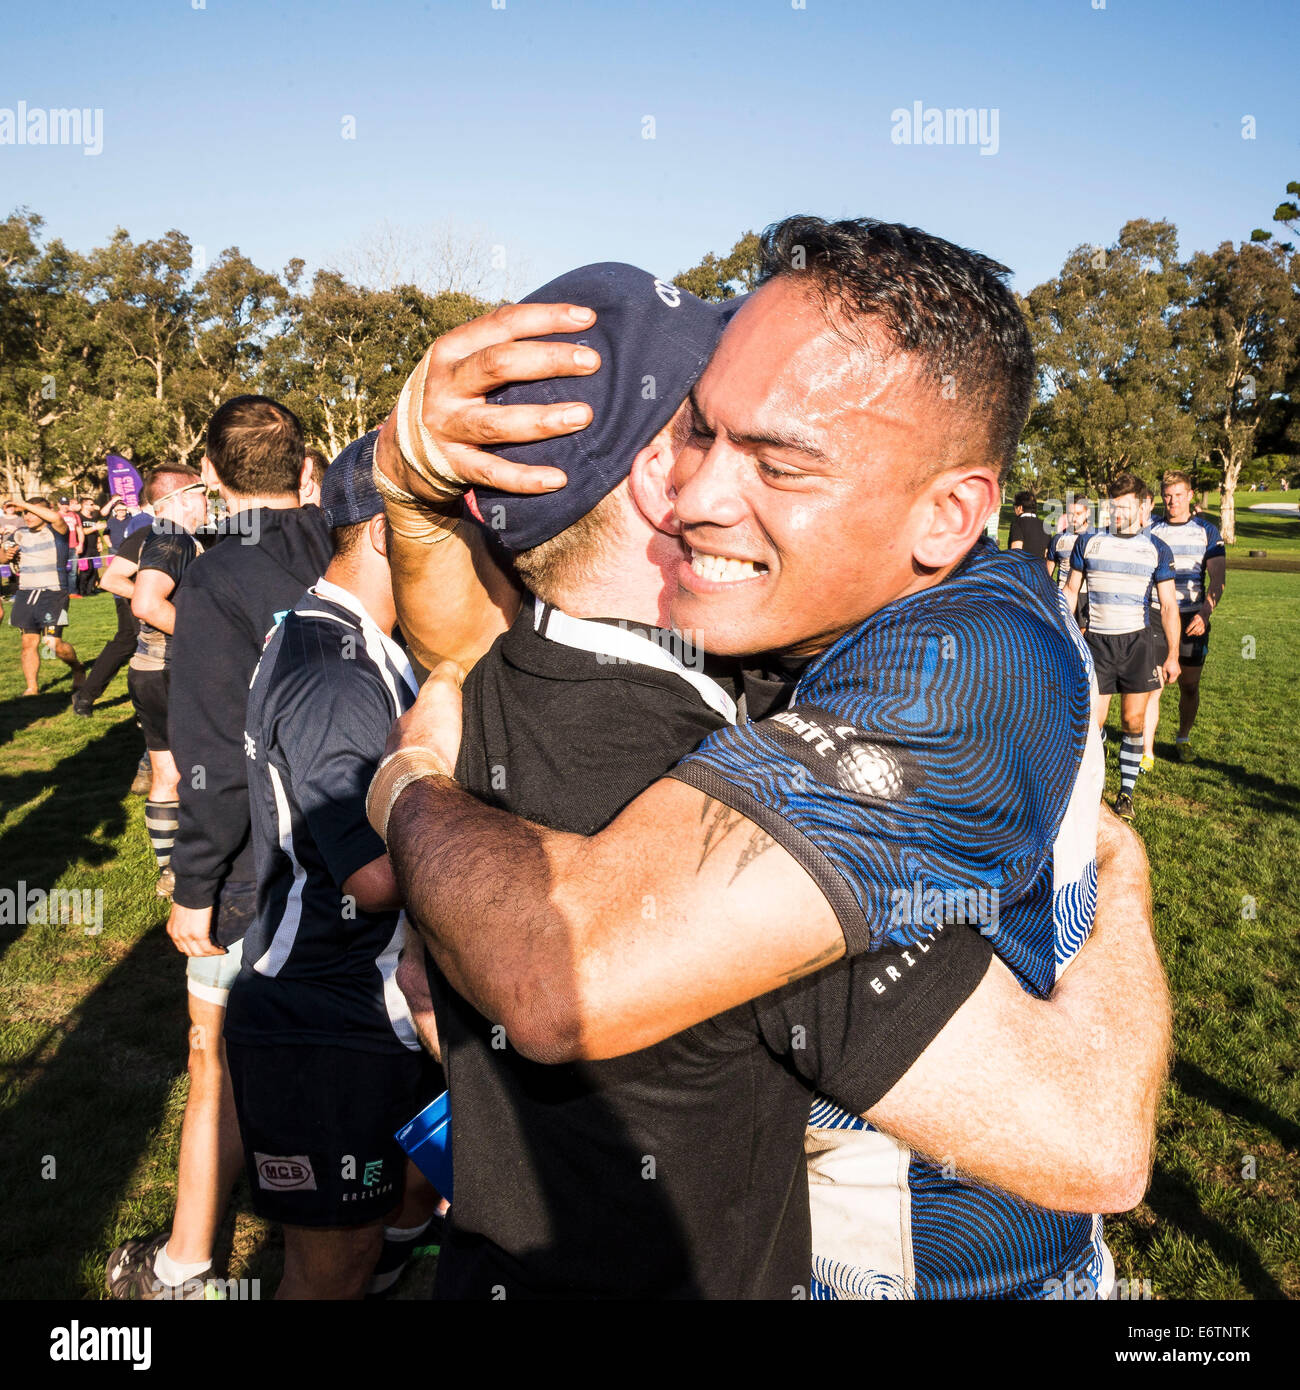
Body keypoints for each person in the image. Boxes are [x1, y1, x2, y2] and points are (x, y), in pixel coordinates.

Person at [373, 223, 1170, 1298]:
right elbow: (486, 657)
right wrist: (411, 489)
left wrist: (407, 790)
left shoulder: (956, 666)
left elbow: (573, 965)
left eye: (779, 461)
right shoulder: (788, 614)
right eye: (699, 431)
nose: (696, 493)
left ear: (948, 514)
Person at [107, 397, 330, 1300]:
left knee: (215, 1055)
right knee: (375, 1049)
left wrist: (194, 886)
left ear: (213, 473)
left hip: (259, 869)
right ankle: (392, 1225)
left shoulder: (217, 575)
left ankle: (185, 1265)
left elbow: (210, 758)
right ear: (303, 464)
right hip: (369, 850)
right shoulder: (356, 548)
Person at [224, 435, 441, 1299]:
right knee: (332, 1264)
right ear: (388, 534)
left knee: (382, 1233)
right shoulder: (335, 669)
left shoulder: (354, 642)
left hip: (360, 1004)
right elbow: (375, 876)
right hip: (322, 1016)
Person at [1063, 473, 1179, 821]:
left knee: (1132, 720)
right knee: (1093, 722)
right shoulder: (1088, 543)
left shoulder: (1156, 549)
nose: (1117, 513)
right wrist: (1060, 629)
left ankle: (1126, 792)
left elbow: (1169, 606)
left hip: (1138, 644)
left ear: (1142, 507)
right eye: (1113, 506)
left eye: (1124, 507)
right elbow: (1071, 591)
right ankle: (1093, 788)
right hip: (1097, 642)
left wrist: (1172, 654)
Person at [126, 469, 209, 895]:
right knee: (196, 772)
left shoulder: (165, 535)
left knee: (166, 772)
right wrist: (206, 638)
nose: (208, 501)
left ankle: (169, 870)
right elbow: (145, 603)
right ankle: (191, 864)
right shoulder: (172, 537)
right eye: (203, 493)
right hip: (171, 669)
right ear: (181, 498)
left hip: (151, 670)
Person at [74, 479, 176, 719]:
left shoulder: (143, 520)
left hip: (135, 591)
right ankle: (89, 696)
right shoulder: (147, 523)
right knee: (133, 643)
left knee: (128, 643)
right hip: (134, 591)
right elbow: (117, 574)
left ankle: (88, 696)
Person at [1145, 470, 1226, 763]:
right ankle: (1146, 751)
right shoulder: (1150, 527)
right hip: (1155, 614)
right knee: (1153, 685)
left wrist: (1205, 612)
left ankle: (1183, 737)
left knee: (1189, 685)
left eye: (1178, 495)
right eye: (1167, 495)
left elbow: (1218, 578)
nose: (1172, 501)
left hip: (1193, 617)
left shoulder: (1207, 531)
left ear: (1190, 496)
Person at [0, 495, 85, 695]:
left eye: (31, 512)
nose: (27, 516)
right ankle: (32, 688)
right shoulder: (19, 534)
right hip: (25, 593)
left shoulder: (57, 531)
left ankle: (77, 668)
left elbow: (56, 518)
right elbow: (2, 557)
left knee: (52, 644)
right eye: (24, 513)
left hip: (53, 593)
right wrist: (6, 555)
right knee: (28, 643)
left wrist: (22, 503)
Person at [1049, 496, 1092, 630]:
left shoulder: (1095, 538)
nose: (1074, 518)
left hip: (1086, 594)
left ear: (1087, 513)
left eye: (1078, 514)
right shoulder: (1058, 538)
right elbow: (1047, 572)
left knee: (1083, 635)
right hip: (1062, 593)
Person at [1006, 489, 1050, 561]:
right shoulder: (1045, 525)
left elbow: (1016, 551)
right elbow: (1047, 553)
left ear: (1020, 508)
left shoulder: (1018, 523)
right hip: (1040, 569)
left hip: (1023, 569)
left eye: (1014, 506)